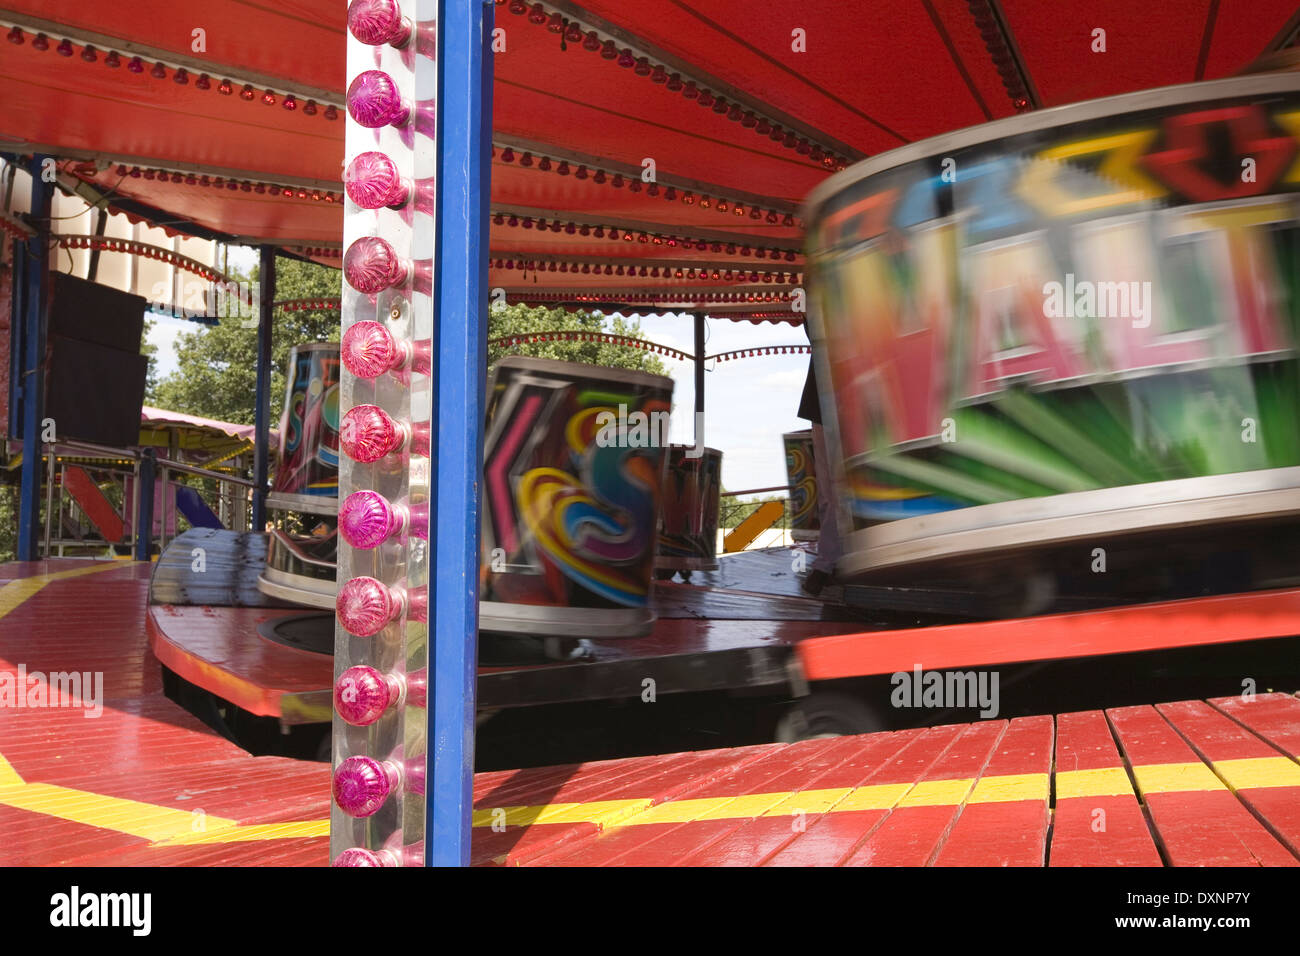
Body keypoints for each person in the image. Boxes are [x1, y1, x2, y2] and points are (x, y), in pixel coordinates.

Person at [796, 358, 841, 596]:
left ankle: (829, 561)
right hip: (827, 397)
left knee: (833, 489)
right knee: (830, 489)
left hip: (853, 391)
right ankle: (829, 561)